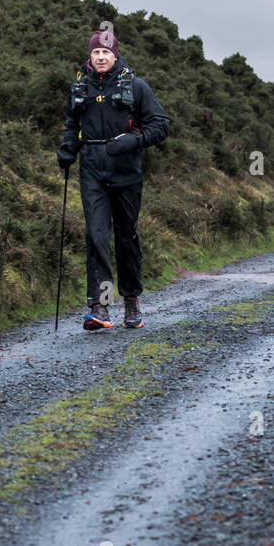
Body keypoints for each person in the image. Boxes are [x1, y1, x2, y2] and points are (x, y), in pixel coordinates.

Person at [57, 29, 170, 330]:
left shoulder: (136, 86)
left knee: (126, 236)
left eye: (106, 52)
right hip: (92, 169)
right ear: (90, 56)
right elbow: (72, 122)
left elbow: (161, 125)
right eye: (96, 52)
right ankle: (100, 307)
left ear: (115, 54)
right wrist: (68, 149)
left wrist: (132, 141)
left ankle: (131, 302)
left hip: (126, 171)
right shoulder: (80, 87)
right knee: (96, 236)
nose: (101, 57)